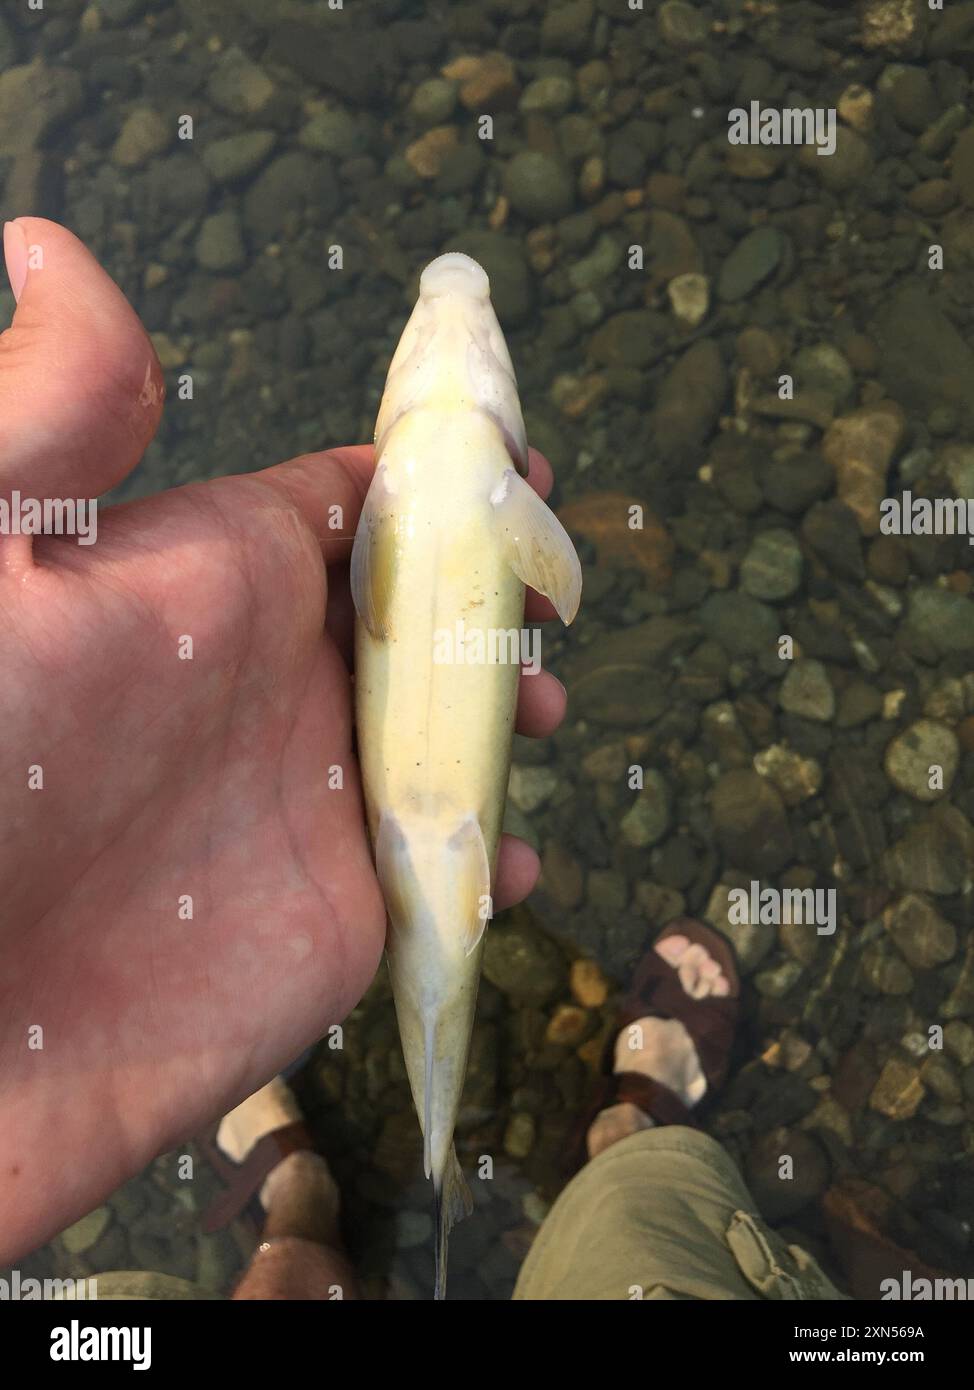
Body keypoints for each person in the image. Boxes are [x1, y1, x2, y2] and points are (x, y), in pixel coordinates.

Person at [0, 219, 844, 1301]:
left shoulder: (398, 482)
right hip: (434, 802)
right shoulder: (480, 485)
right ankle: (623, 1146)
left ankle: (302, 1213)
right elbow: (562, 582)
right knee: (651, 1247)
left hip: (409, 807)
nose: (454, 333)